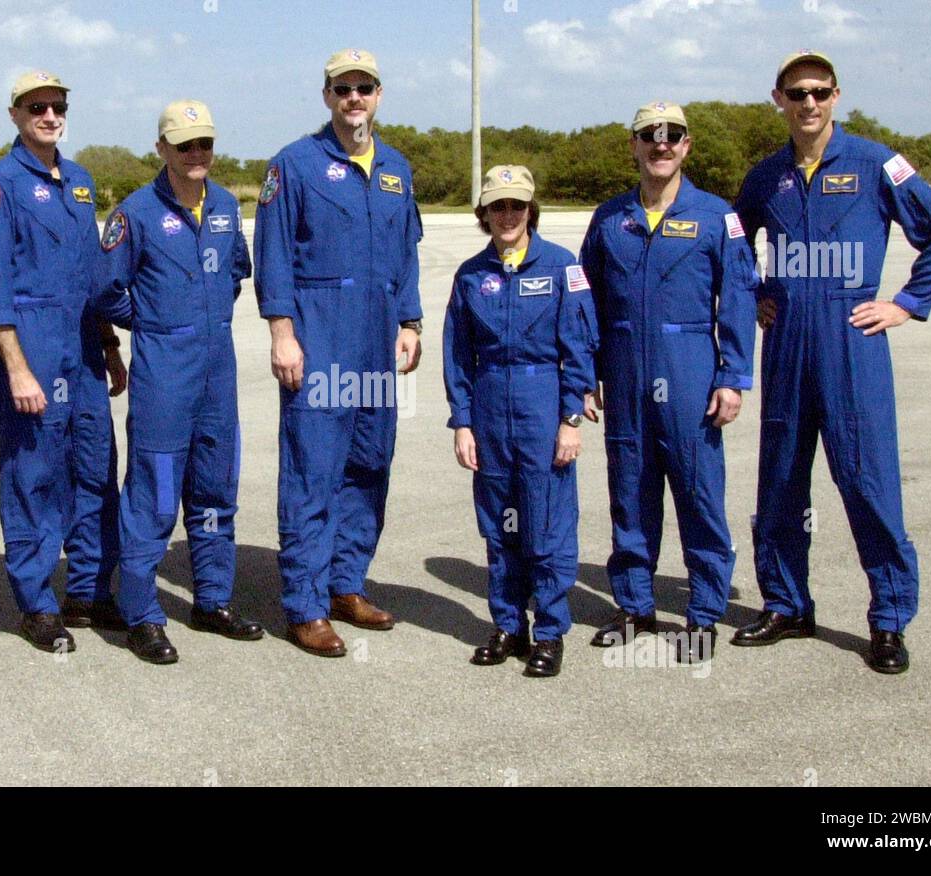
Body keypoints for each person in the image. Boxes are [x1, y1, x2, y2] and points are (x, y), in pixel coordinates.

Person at [732, 52, 931, 673]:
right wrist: (755, 294)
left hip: (852, 343)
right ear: (777, 98)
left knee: (868, 481)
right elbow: (731, 243)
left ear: (837, 96)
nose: (809, 103)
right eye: (797, 92)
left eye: (820, 92)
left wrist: (907, 304)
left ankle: (888, 619)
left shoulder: (875, 162)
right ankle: (786, 604)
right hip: (785, 349)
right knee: (779, 480)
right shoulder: (765, 176)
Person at [254, 49, 423, 657]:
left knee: (369, 463)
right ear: (327, 95)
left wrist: (410, 320)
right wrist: (282, 332)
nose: (355, 98)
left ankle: (345, 584)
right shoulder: (294, 165)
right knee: (313, 469)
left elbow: (407, 254)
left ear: (379, 95)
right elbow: (272, 255)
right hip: (321, 340)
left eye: (365, 88)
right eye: (343, 88)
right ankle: (303, 603)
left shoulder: (397, 169)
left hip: (378, 344)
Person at [579, 101, 758, 665]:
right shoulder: (610, 219)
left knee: (699, 493)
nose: (661, 145)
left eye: (672, 136)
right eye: (648, 136)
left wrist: (732, 376)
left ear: (687, 145)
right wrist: (587, 373)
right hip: (625, 369)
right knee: (630, 492)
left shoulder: (715, 216)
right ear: (633, 145)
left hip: (689, 370)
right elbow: (586, 302)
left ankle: (703, 613)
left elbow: (738, 296)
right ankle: (634, 605)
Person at [93, 100, 260, 665]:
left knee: (215, 486)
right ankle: (141, 613)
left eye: (204, 144)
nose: (196, 155)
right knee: (156, 492)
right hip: (165, 372)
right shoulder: (135, 214)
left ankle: (212, 600)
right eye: (184, 144)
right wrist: (159, 321)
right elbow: (107, 290)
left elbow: (237, 271)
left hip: (219, 369)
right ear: (161, 148)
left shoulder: (226, 208)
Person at [0, 71, 126, 654]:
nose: (50, 115)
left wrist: (109, 347)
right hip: (31, 345)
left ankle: (87, 590)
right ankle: (36, 600)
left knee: (93, 467)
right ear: (14, 113)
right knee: (33, 475)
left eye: (58, 106)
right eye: (37, 106)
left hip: (83, 347)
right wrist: (16, 366)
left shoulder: (80, 183)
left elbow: (93, 277)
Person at [443, 165, 598, 677]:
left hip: (541, 402)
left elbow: (578, 349)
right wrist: (462, 422)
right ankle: (509, 625)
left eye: (516, 205)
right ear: (483, 214)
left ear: (531, 210)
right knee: (498, 524)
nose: (506, 215)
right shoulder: (470, 275)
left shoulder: (560, 265)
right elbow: (458, 355)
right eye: (497, 206)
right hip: (489, 406)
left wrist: (570, 419)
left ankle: (550, 631)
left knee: (547, 524)